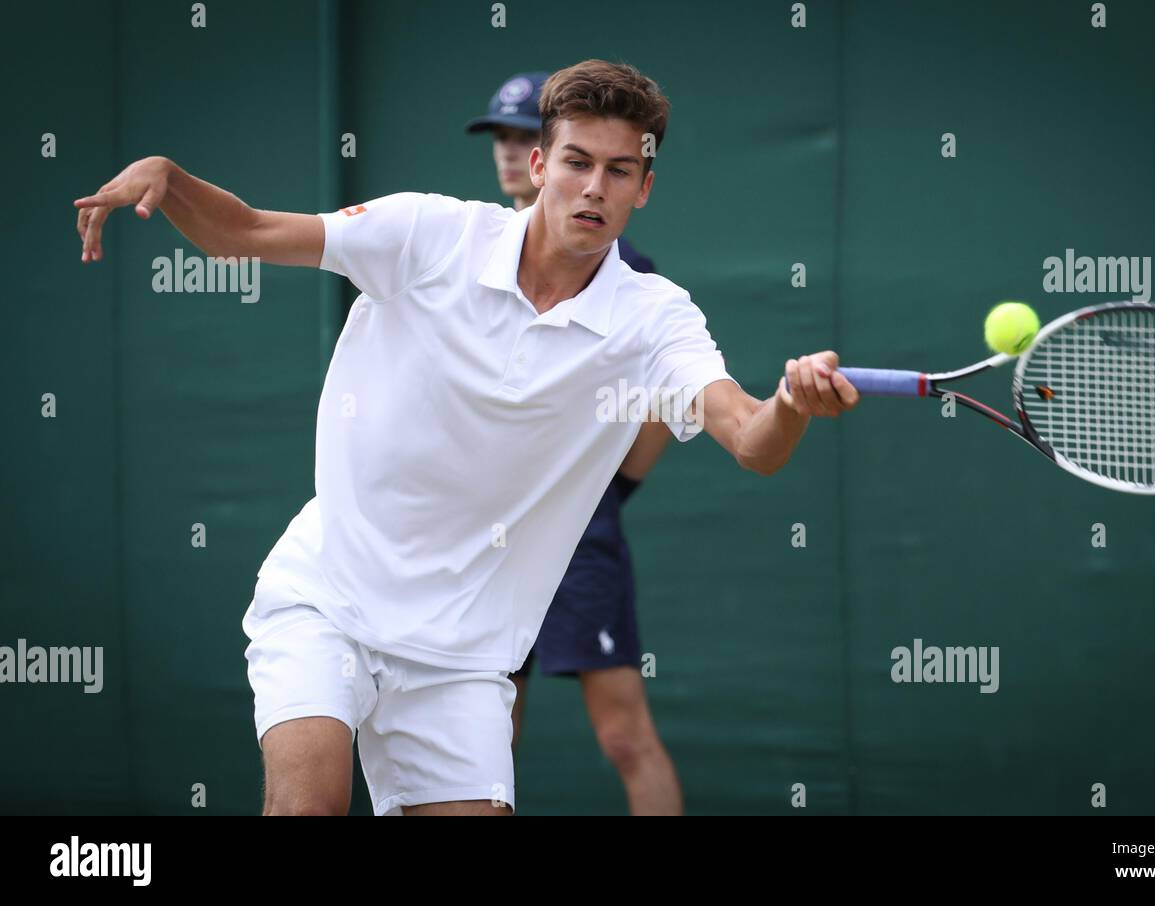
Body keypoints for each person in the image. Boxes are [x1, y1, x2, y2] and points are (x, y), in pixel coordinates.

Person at [73, 59, 860, 816]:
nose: (594, 187)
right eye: (577, 161)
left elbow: (753, 440)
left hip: (463, 655)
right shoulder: (425, 234)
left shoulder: (655, 318)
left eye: (620, 171)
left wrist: (790, 401)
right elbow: (242, 232)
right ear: (540, 162)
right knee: (311, 803)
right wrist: (170, 179)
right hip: (332, 597)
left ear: (644, 188)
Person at [467, 70, 681, 815]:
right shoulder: (465, 256)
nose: (508, 149)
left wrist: (611, 490)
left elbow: (662, 399)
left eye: (524, 133)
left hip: (580, 537)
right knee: (484, 742)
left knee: (624, 735)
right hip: (479, 537)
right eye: (502, 135)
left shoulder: (629, 279)